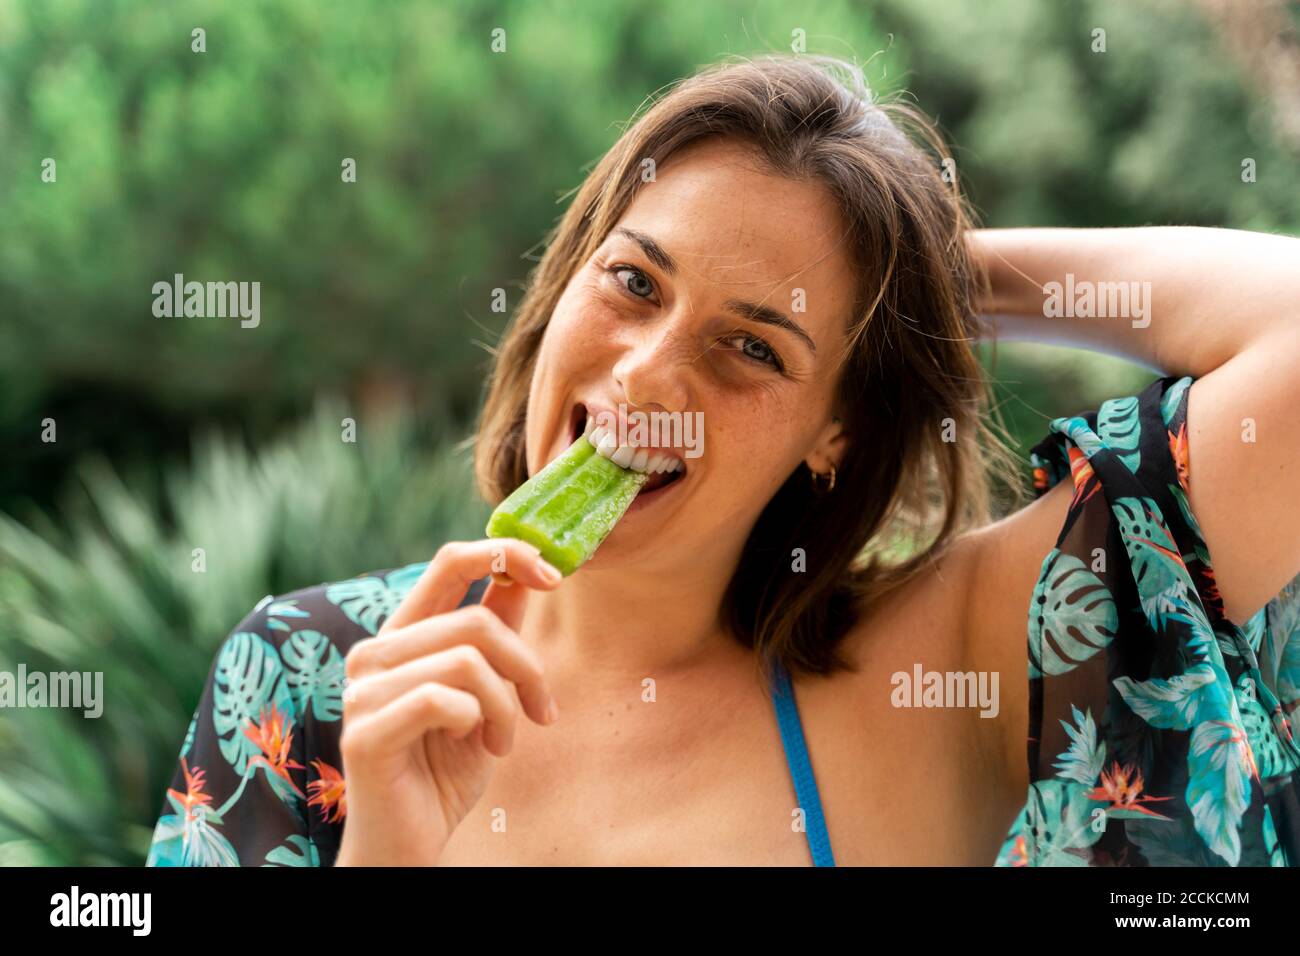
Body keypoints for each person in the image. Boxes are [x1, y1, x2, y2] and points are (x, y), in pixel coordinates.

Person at [146, 54, 1300, 867]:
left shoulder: (945, 661)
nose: (648, 375)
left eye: (752, 345)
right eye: (634, 281)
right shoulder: (307, 679)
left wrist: (923, 284)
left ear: (836, 422)